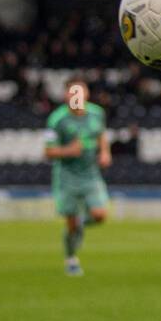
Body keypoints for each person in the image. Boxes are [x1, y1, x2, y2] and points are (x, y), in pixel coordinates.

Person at [43, 78, 110, 276]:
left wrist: (105, 152)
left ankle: (82, 221)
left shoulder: (97, 113)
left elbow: (101, 135)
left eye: (80, 92)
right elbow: (48, 152)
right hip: (67, 176)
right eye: (72, 92)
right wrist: (68, 150)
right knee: (70, 224)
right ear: (65, 95)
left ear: (87, 94)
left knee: (100, 215)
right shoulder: (56, 120)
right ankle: (71, 258)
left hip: (90, 173)